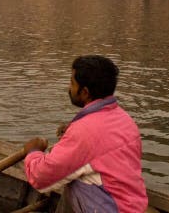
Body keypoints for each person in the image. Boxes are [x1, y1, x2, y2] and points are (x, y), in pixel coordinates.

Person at [22, 55, 148, 213]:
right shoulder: (125, 120)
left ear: (85, 92)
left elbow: (40, 178)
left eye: (72, 83)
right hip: (131, 206)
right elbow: (100, 149)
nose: (69, 88)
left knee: (66, 177)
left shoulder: (84, 132)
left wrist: (33, 152)